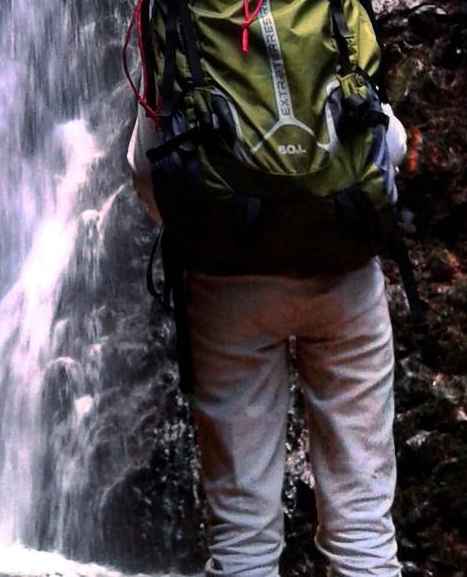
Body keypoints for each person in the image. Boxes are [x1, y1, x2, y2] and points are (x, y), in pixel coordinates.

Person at [127, 106, 408, 577]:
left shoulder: (183, 28)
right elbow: (390, 143)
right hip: (343, 276)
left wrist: (206, 228)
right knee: (363, 523)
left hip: (228, 286)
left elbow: (144, 169)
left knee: (242, 535)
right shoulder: (333, 26)